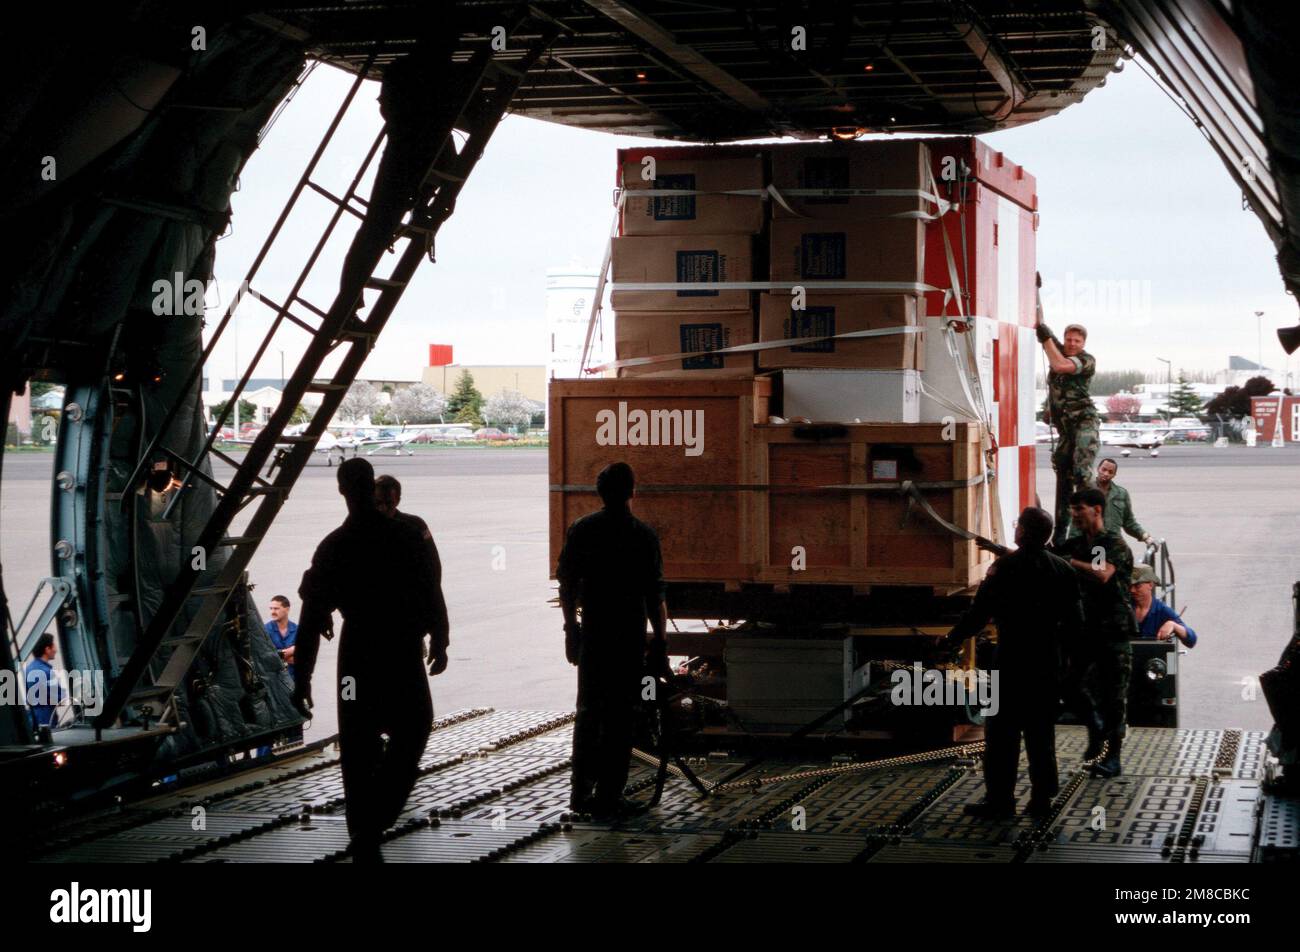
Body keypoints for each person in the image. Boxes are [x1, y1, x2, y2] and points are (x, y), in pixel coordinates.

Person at [294, 458, 447, 860]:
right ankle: (379, 814)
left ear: (343, 490)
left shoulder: (333, 546)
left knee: (358, 746)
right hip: (399, 645)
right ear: (372, 485)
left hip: (358, 650)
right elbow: (432, 588)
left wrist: (302, 678)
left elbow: (310, 618)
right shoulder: (406, 536)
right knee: (414, 726)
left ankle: (364, 826)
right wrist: (441, 636)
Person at [942, 507, 1084, 819]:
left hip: (1011, 664)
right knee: (1041, 736)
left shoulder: (1003, 569)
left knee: (1001, 737)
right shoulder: (1063, 571)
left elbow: (977, 616)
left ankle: (1001, 801)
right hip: (1047, 663)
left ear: (1022, 532)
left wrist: (950, 640)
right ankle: (1041, 801)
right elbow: (1076, 626)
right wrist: (1072, 670)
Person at [556, 462, 667, 817]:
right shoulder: (642, 535)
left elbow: (567, 585)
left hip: (595, 635)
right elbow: (655, 596)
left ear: (599, 493)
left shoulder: (582, 530)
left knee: (588, 713)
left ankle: (579, 794)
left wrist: (571, 630)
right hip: (627, 638)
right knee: (621, 716)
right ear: (633, 491)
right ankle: (609, 796)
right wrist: (660, 642)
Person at [338, 24, 465, 309]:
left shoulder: (403, 69)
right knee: (378, 226)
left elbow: (389, 109)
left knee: (376, 226)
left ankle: (349, 302)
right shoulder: (446, 74)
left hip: (405, 150)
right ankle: (350, 300)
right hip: (415, 149)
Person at [1055, 488, 1137, 778]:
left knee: (1114, 695)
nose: (1075, 515)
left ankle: (1112, 756)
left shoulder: (1108, 543)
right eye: (1073, 509)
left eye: (1080, 509)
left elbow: (1101, 573)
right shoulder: (1077, 544)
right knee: (1069, 686)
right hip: (1084, 629)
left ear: (1097, 510)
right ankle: (1096, 727)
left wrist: (1070, 563)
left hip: (1112, 630)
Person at [375, 474, 450, 672]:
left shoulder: (415, 528)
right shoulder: (361, 533)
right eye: (378, 503)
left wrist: (440, 639)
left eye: (388, 503)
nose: (382, 509)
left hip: (407, 631)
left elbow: (432, 582)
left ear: (398, 500)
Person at [1038, 316, 1100, 546]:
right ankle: (1061, 535)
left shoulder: (1086, 360)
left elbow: (1059, 366)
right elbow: (1056, 386)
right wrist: (1048, 408)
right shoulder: (1060, 351)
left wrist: (1046, 340)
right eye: (1068, 339)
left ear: (1083, 344)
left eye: (1077, 341)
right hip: (1066, 431)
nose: (1072, 344)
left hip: (1084, 424)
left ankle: (1091, 531)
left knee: (1082, 474)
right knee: (1063, 478)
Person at [1066, 458, 1153, 545]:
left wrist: (1145, 536)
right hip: (1089, 545)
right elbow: (1076, 521)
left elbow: (1129, 522)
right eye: (1104, 469)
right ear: (1098, 469)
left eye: (1110, 472)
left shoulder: (1121, 494)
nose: (1106, 474)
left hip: (1114, 545)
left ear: (1114, 475)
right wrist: (1073, 547)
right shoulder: (1086, 492)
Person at [1131, 564, 1197, 647]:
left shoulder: (1162, 611)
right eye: (1130, 586)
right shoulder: (1123, 607)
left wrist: (1174, 625)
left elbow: (1192, 640)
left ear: (1151, 585)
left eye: (1137, 586)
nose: (1132, 590)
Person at [24, 633, 62, 732]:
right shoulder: (47, 672)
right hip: (48, 721)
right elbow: (60, 699)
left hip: (34, 720)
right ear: (47, 649)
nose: (56, 650)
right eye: (53, 646)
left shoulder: (29, 669)